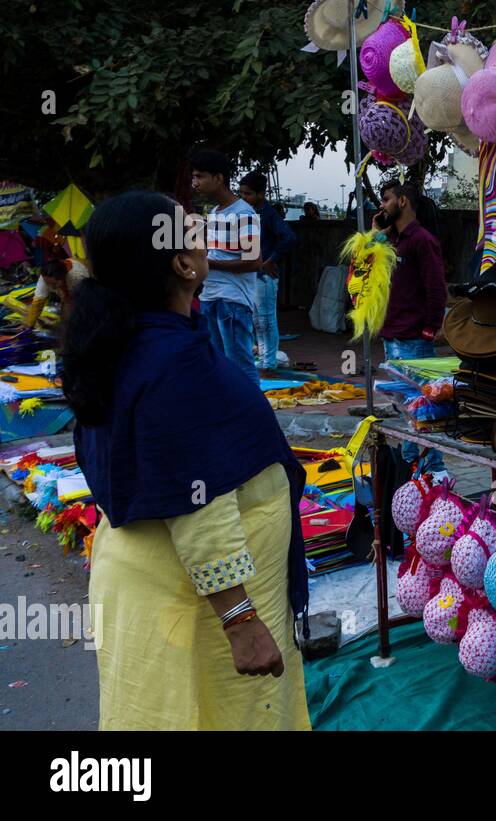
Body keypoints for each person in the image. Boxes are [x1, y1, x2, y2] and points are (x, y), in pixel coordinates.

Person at [68, 191, 311, 730]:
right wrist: (239, 619)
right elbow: (197, 498)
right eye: (194, 229)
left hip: (158, 585)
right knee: (214, 716)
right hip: (201, 604)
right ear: (181, 263)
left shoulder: (127, 343)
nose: (207, 233)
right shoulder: (169, 363)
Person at [374, 179, 449, 480]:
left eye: (386, 199)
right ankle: (412, 473)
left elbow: (436, 290)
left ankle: (435, 474)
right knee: (406, 412)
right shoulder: (392, 240)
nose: (382, 205)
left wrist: (430, 329)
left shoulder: (421, 240)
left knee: (423, 412)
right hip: (392, 336)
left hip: (413, 340)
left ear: (403, 201)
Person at [190, 147, 262, 385]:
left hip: (232, 300)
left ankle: (253, 418)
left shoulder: (244, 213)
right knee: (218, 365)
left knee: (240, 367)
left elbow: (254, 261)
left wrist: (207, 263)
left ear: (218, 178)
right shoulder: (214, 212)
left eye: (199, 176)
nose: (194, 183)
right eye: (193, 177)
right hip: (211, 297)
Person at [238, 171, 298, 372]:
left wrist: (270, 260)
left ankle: (269, 361)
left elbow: (289, 238)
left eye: (247, 194)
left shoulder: (269, 214)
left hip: (264, 276)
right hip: (253, 274)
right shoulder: (248, 213)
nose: (243, 198)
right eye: (242, 193)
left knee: (266, 320)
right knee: (257, 320)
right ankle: (265, 359)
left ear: (260, 194)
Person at [23, 253, 88, 329]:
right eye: (47, 283)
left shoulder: (77, 277)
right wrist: (29, 324)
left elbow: (85, 302)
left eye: (54, 284)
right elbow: (38, 303)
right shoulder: (45, 277)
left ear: (63, 277)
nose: (50, 287)